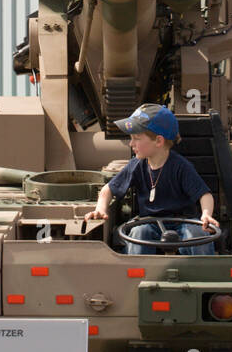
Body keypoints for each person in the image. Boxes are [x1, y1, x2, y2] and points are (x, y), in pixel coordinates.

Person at [89, 103, 219, 254]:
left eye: (136, 138)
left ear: (158, 141)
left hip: (183, 222)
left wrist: (206, 214)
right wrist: (100, 209)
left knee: (196, 236)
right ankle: (136, 276)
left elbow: (204, 194)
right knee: (139, 234)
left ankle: (202, 276)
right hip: (149, 222)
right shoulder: (136, 165)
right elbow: (107, 190)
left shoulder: (181, 166)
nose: (131, 144)